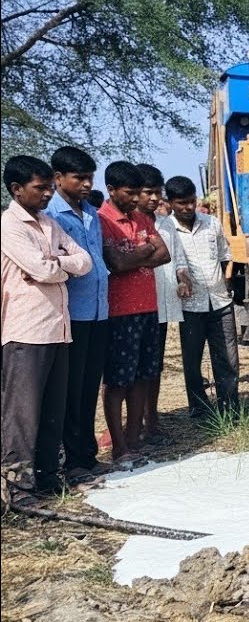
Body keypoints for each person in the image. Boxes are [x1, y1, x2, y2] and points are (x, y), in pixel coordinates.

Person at [1, 156, 92, 508]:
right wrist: (54, 265)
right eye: (40, 188)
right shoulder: (10, 226)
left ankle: (48, 479)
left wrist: (58, 265)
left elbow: (83, 261)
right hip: (26, 331)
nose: (47, 194)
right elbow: (41, 268)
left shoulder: (50, 224)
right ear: (16, 189)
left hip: (58, 329)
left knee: (53, 409)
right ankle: (18, 490)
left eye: (49, 188)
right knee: (22, 415)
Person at [45, 147, 113, 482]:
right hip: (71, 315)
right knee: (70, 391)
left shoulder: (90, 213)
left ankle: (87, 455)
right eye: (79, 178)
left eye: (90, 178)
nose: (87, 184)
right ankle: (71, 462)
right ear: (58, 178)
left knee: (88, 387)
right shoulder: (51, 217)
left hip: (99, 311)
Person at [100, 161, 171, 464]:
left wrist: (132, 255)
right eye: (130, 193)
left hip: (148, 307)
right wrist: (143, 252)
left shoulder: (141, 218)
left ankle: (134, 438)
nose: (134, 199)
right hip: (120, 312)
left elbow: (164, 254)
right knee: (118, 380)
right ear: (112, 190)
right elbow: (115, 263)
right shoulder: (103, 220)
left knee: (144, 375)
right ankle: (118, 445)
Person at [164, 176, 238, 418]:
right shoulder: (165, 229)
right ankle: (199, 409)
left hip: (220, 301)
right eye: (181, 203)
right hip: (190, 306)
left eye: (191, 201)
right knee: (192, 361)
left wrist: (226, 283)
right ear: (171, 202)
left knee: (227, 358)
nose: (187, 207)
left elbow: (226, 256)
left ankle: (230, 409)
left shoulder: (211, 223)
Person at [137, 165, 191, 444]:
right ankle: (129, 424)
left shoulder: (166, 223)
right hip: (136, 305)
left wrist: (182, 277)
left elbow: (177, 257)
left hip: (162, 302)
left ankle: (152, 420)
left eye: (158, 193)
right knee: (132, 369)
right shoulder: (131, 223)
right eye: (149, 192)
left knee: (153, 365)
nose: (155, 198)